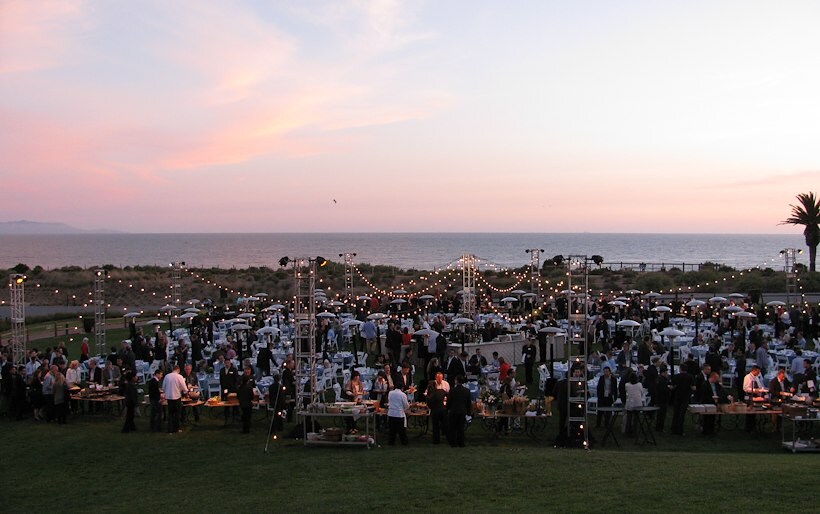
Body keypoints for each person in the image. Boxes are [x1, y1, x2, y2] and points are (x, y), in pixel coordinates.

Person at [162, 365, 188, 433]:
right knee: (176, 414)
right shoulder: (179, 377)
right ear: (178, 370)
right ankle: (176, 428)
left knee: (170, 414)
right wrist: (185, 392)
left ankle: (170, 429)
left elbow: (163, 387)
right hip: (176, 397)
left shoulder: (167, 376)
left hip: (169, 397)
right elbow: (184, 387)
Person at [447, 374, 471, 447]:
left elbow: (449, 401)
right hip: (462, 411)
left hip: (454, 411)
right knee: (461, 428)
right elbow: (468, 402)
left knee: (453, 428)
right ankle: (461, 442)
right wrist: (468, 412)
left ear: (456, 381)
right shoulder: (466, 391)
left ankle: (453, 442)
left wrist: (448, 409)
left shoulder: (452, 390)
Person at [670, 367, 695, 436]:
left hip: (677, 396)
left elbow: (672, 387)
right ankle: (680, 430)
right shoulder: (690, 377)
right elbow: (693, 387)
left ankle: (673, 429)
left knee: (676, 413)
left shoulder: (676, 376)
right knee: (682, 414)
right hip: (685, 397)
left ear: (680, 369)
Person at [698, 371, 723, 436]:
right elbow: (704, 396)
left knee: (713, 417)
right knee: (707, 418)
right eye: (716, 378)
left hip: (715, 402)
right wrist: (712, 398)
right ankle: (706, 430)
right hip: (707, 402)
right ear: (713, 377)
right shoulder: (705, 384)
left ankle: (712, 430)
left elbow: (721, 391)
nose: (717, 380)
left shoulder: (717, 385)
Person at [742, 365, 766, 432]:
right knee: (749, 413)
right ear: (754, 371)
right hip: (749, 396)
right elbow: (745, 388)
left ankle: (754, 427)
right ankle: (748, 428)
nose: (759, 373)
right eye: (758, 372)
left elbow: (760, 386)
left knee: (755, 412)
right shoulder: (747, 377)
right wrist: (755, 390)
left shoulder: (756, 378)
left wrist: (761, 390)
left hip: (756, 396)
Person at [424, 380, 448, 444]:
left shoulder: (430, 395)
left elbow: (429, 404)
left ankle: (436, 440)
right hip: (442, 410)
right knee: (445, 424)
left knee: (435, 426)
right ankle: (449, 438)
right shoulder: (441, 391)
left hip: (435, 411)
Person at [220, 359, 239, 423]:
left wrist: (234, 388)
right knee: (226, 401)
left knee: (234, 401)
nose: (227, 364)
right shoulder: (222, 370)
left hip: (233, 389)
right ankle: (226, 413)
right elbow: (221, 379)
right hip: (225, 388)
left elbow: (236, 379)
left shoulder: (234, 370)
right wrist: (223, 387)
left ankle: (235, 414)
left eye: (228, 362)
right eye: (226, 363)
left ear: (230, 363)